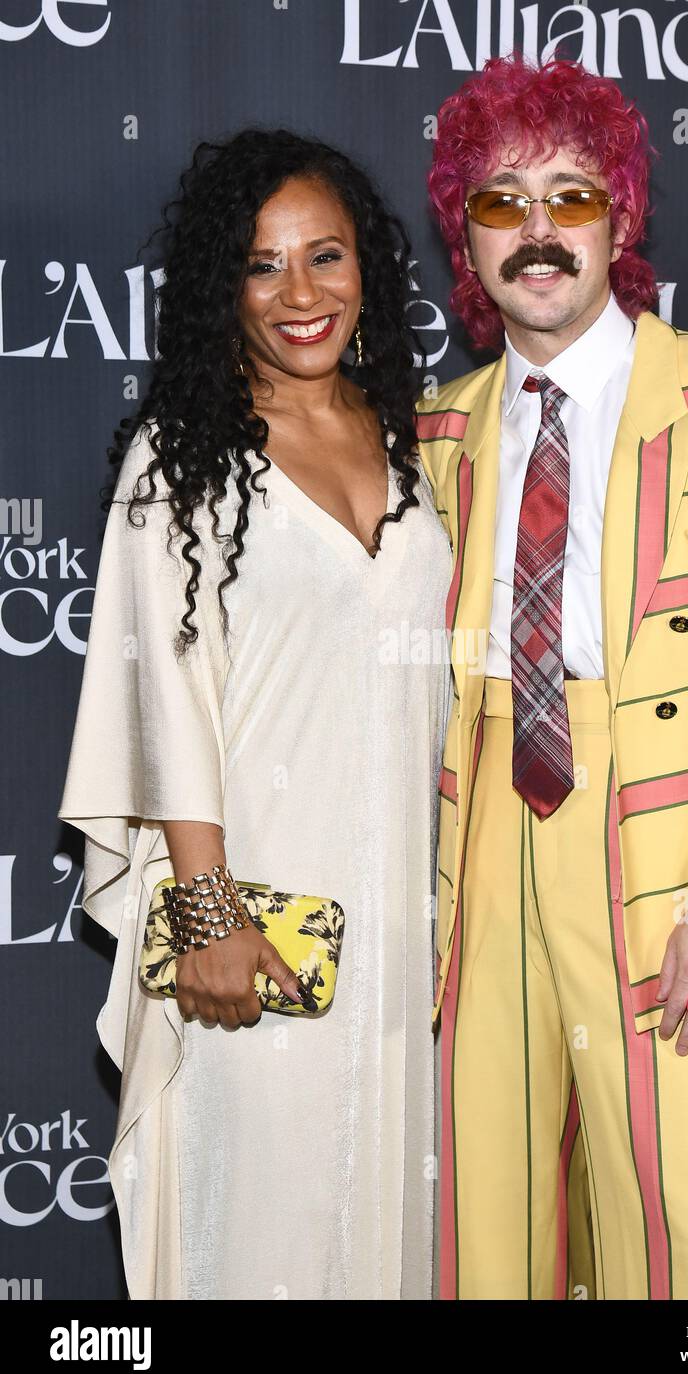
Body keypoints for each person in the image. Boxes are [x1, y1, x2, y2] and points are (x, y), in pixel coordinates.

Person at [418, 55, 688, 1300]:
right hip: (486, 832)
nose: (538, 232)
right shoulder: (437, 428)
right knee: (486, 1231)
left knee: (686, 1244)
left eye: (571, 196)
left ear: (622, 217)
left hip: (669, 850)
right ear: (466, 233)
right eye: (501, 200)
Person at [58, 130, 452, 1300]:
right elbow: (164, 696)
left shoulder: (412, 447)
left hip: (402, 938)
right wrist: (209, 911)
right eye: (261, 265)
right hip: (262, 933)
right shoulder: (180, 462)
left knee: (388, 1231)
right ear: (218, 291)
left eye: (324, 257)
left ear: (366, 270)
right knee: (264, 1236)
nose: (299, 294)